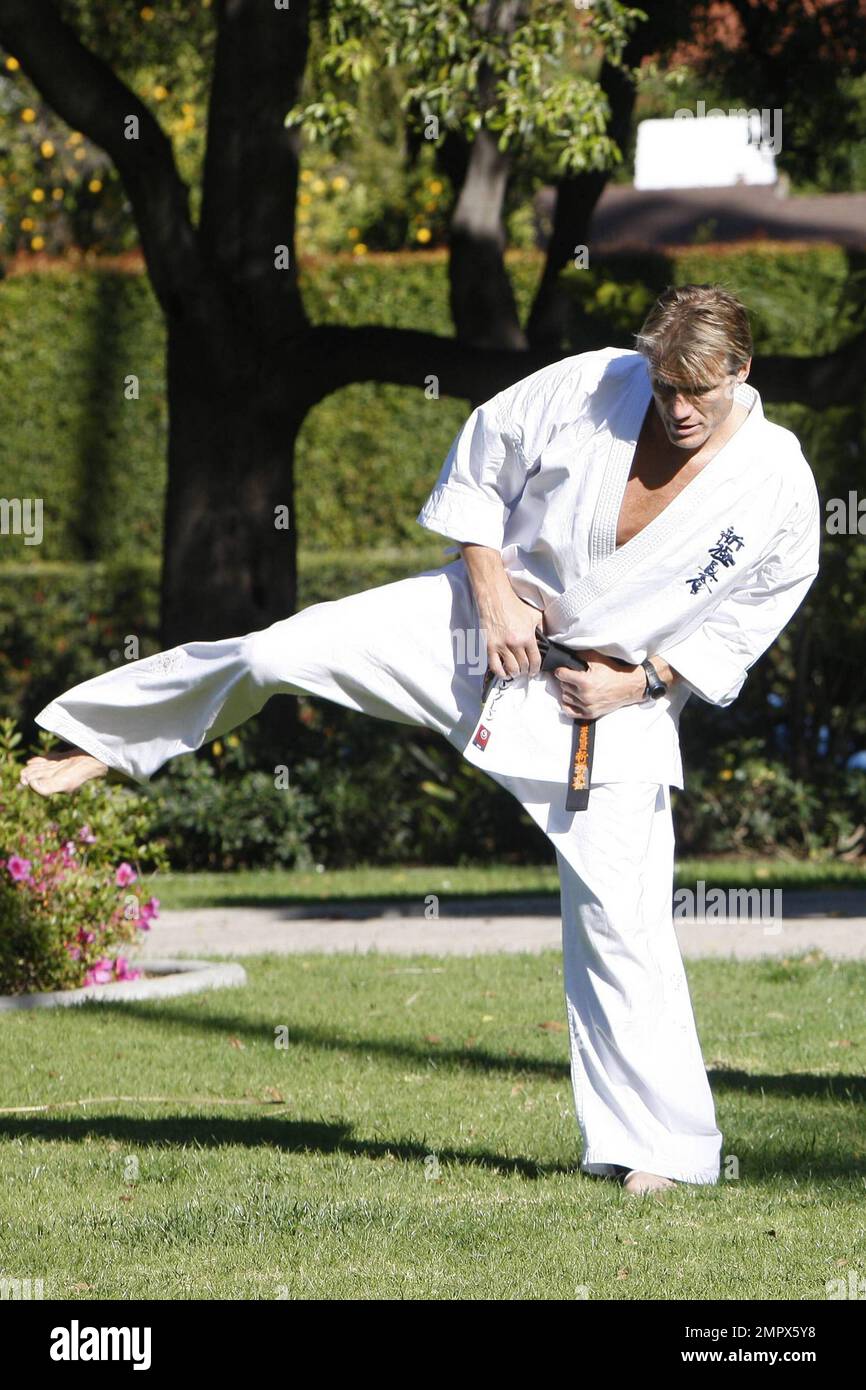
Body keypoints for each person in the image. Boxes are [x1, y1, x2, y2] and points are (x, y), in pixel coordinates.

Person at [20, 283, 821, 1197]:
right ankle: (106, 740)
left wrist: (641, 681)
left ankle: (659, 1154)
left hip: (605, 701)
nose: (676, 407)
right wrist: (487, 593)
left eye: (697, 392)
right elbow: (484, 461)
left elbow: (757, 609)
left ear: (741, 374)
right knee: (282, 648)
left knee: (623, 922)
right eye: (664, 384)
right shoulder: (596, 384)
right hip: (472, 630)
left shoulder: (777, 481)